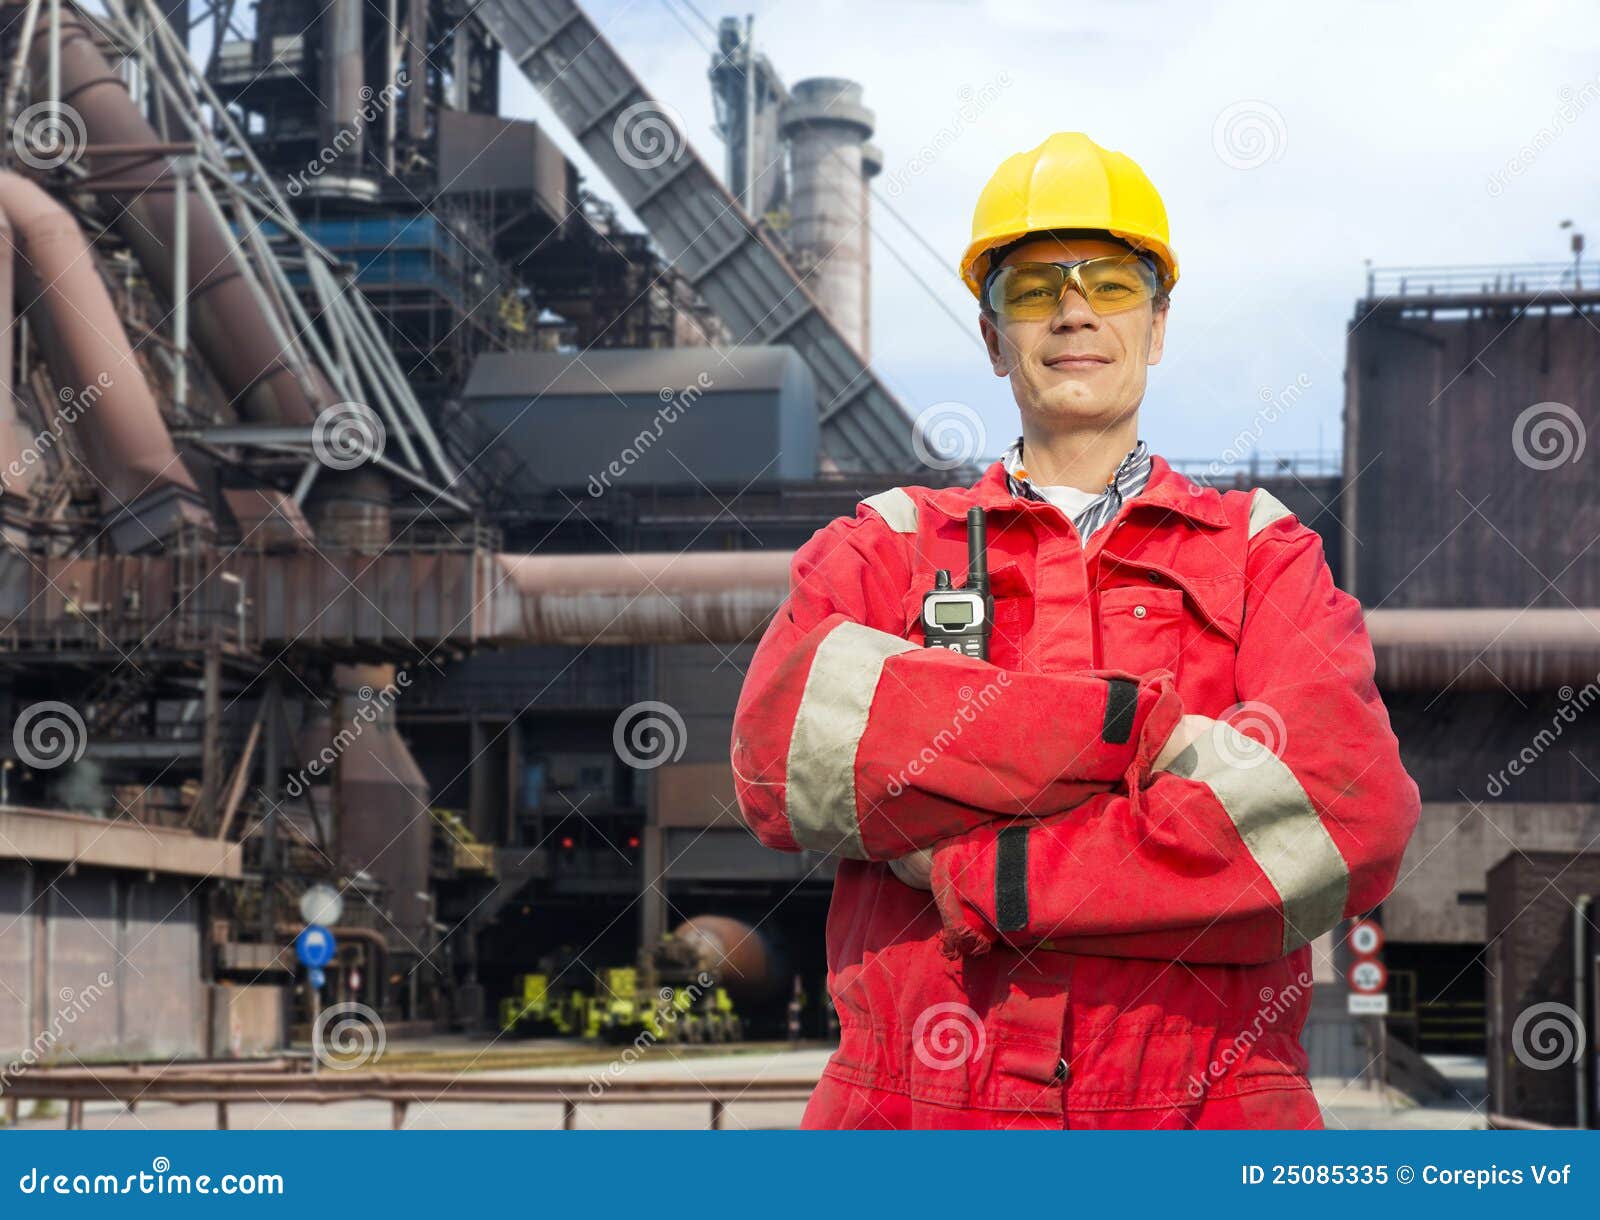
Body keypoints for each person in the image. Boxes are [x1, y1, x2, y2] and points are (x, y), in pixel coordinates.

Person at [729, 132, 1421, 1129]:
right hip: (917, 1118)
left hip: (1199, 1118)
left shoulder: (1260, 552)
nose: (1072, 312)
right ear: (989, 334)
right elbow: (781, 744)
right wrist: (1144, 740)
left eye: (1108, 280)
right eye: (1032, 288)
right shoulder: (887, 542)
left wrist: (977, 863)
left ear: (1158, 321)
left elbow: (1342, 816)